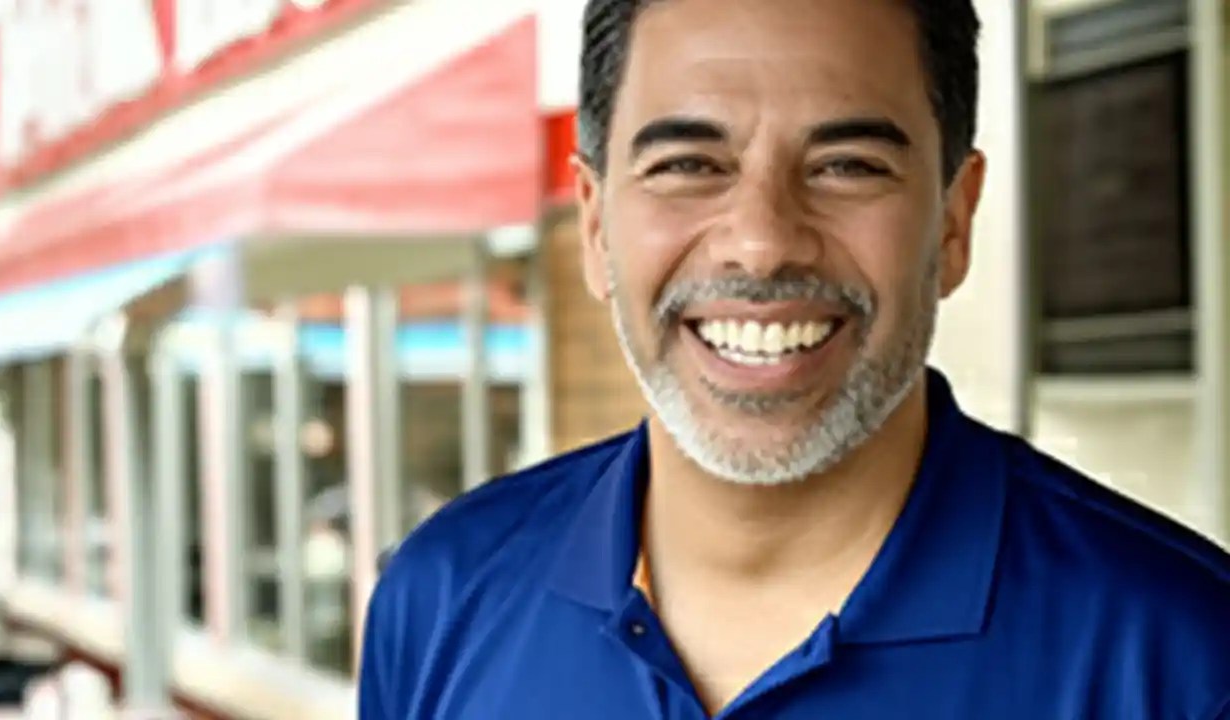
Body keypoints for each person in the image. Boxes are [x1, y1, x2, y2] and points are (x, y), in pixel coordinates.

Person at [358, 0, 1230, 717]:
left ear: (954, 223)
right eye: (690, 163)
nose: (763, 242)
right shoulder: (442, 599)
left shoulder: (1185, 658)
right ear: (595, 224)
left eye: (847, 165)